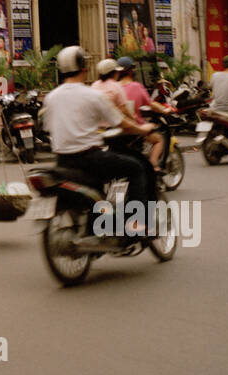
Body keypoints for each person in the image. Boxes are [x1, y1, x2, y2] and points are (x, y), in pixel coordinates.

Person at [41, 46, 157, 234]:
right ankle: (137, 223)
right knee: (137, 168)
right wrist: (142, 129)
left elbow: (48, 128)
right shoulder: (93, 95)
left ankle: (102, 223)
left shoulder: (51, 98)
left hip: (61, 159)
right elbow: (122, 123)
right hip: (89, 158)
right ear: (85, 69)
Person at [117, 57, 164, 173]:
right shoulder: (136, 86)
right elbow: (151, 104)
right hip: (134, 128)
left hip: (116, 129)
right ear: (131, 71)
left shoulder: (114, 87)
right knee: (158, 140)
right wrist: (164, 110)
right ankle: (153, 165)